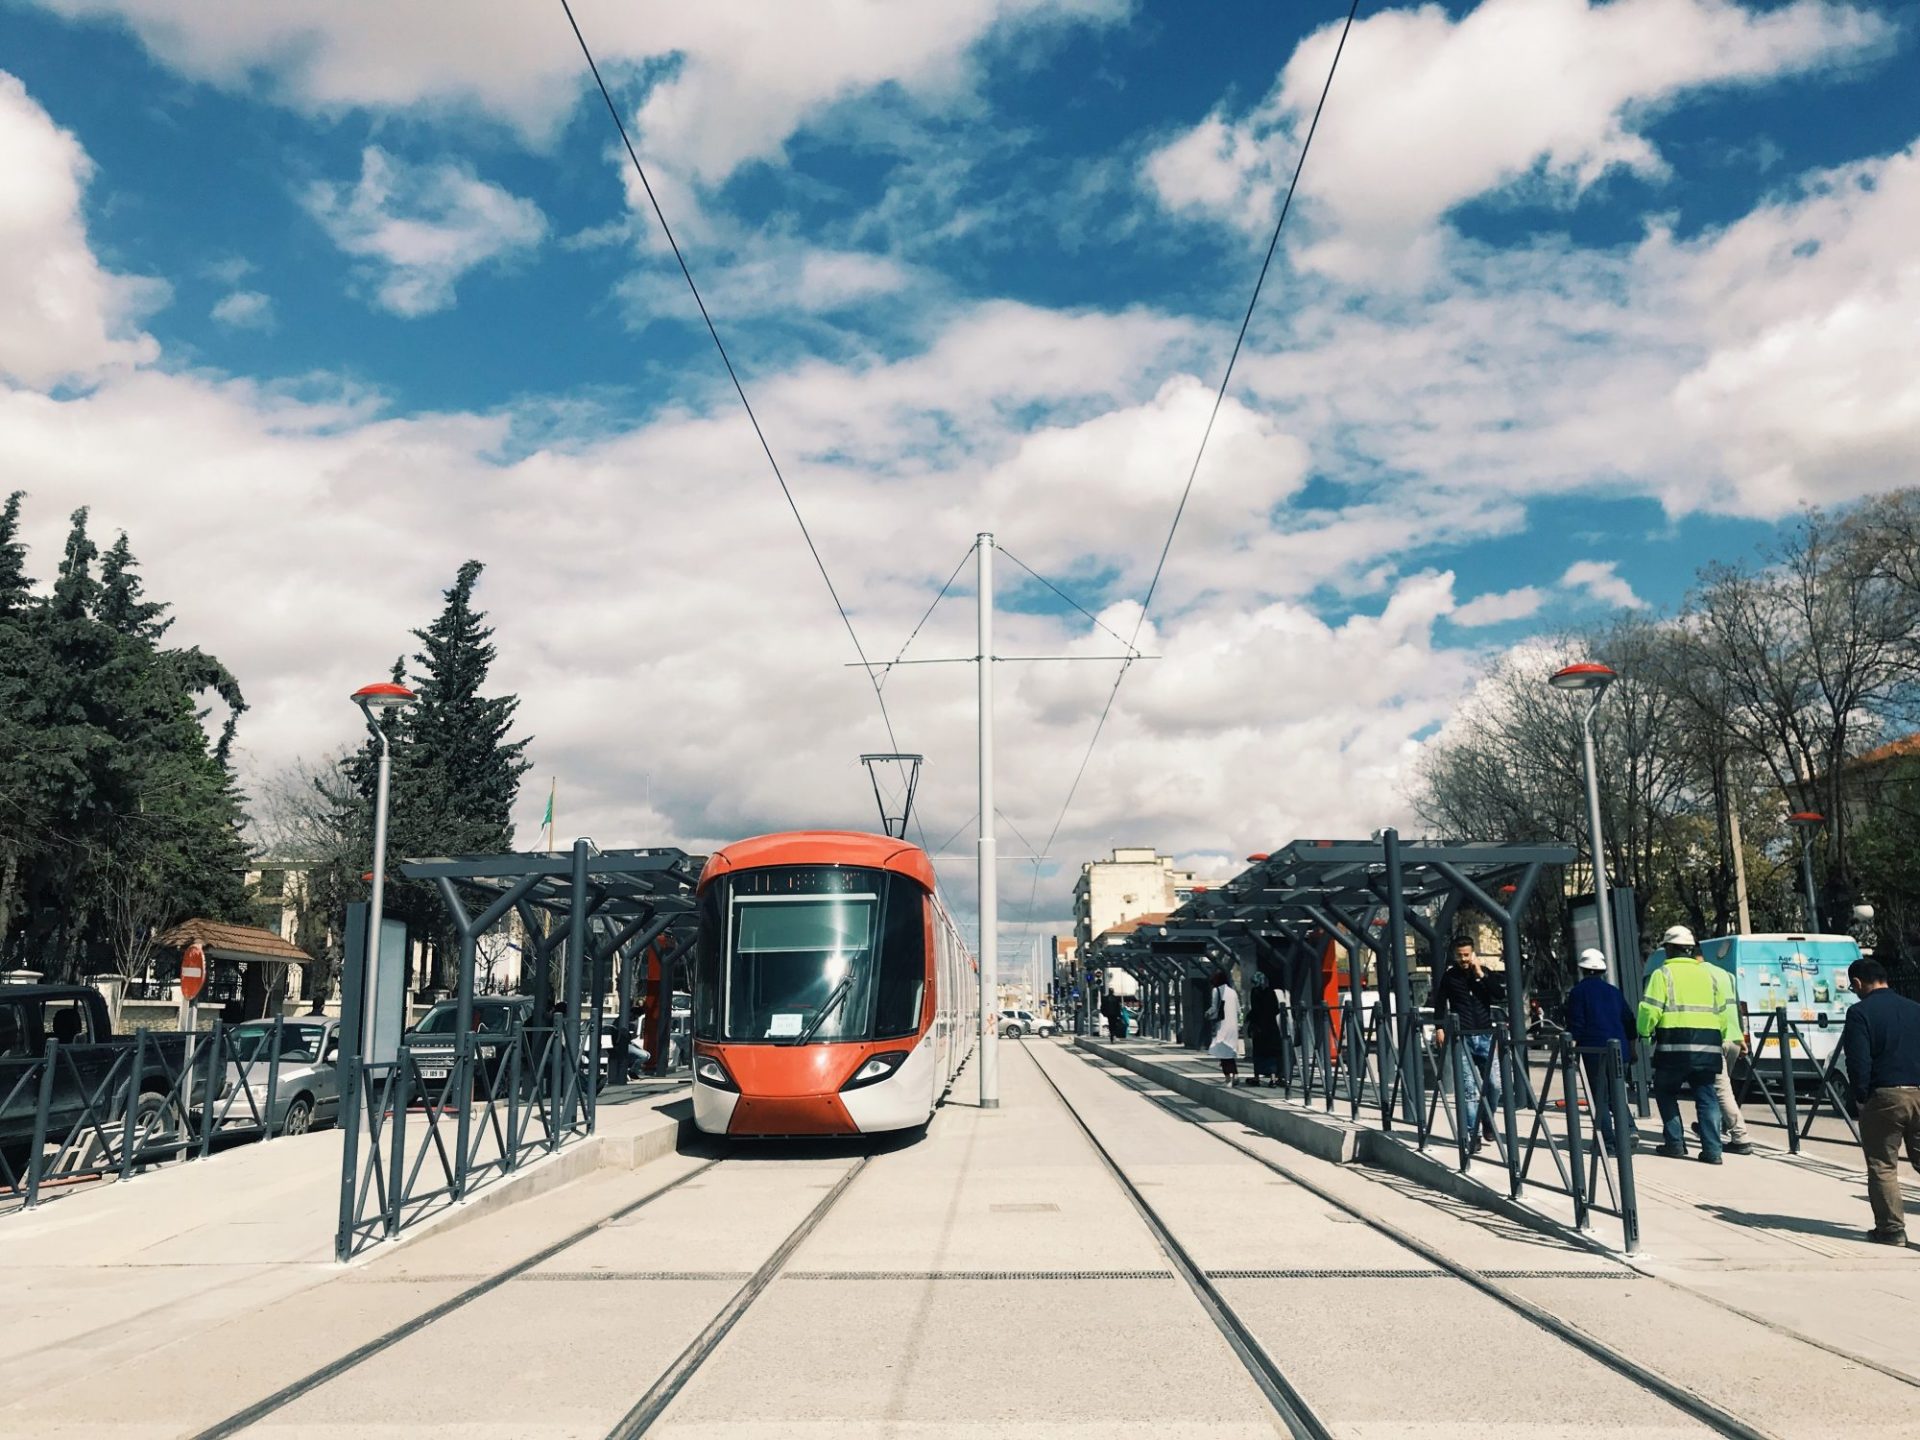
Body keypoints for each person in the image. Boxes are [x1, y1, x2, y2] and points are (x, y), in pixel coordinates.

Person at [1637, 925, 1738, 1164]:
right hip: (1708, 1047)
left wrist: (1644, 1033)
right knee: (1707, 1097)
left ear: (1669, 949)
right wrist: (1719, 1035)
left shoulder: (1662, 975)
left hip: (1674, 1047)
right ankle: (1713, 1151)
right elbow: (1722, 1014)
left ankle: (1675, 1144)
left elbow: (1649, 1010)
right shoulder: (1710, 974)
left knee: (1665, 1091)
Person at [1839, 958, 1920, 1246]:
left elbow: (1858, 1061)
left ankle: (1891, 1230)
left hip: (1886, 1096)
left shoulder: (1860, 1012)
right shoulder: (1915, 1009)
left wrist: (1861, 1097)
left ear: (1858, 983)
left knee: (1883, 1165)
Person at [1433, 936, 1504, 1151]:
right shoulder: (1449, 977)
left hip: (1485, 1035)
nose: (1463, 959)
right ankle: (1473, 1136)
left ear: (1473, 953)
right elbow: (1439, 1002)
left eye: (1467, 955)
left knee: (1495, 1085)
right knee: (1469, 1090)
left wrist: (1480, 973)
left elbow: (1499, 994)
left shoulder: (1484, 973)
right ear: (1455, 955)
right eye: (1460, 955)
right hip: (1462, 1037)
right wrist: (1439, 1028)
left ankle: (1488, 1122)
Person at [1564, 948, 1635, 1151]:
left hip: (1594, 1050)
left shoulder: (1578, 992)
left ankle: (1608, 1144)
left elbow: (1576, 1024)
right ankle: (1629, 1130)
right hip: (1620, 1049)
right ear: (1603, 970)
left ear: (1582, 969)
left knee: (1599, 1097)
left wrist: (1572, 1052)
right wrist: (1632, 1049)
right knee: (1617, 1093)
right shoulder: (1614, 991)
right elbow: (1629, 1020)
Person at [1246, 971, 1283, 1087]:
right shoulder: (1271, 993)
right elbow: (1276, 1009)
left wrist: (1249, 1019)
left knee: (1258, 1054)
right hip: (1271, 1028)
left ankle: (1257, 1077)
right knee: (1271, 1054)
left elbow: (1255, 1010)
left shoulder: (1254, 992)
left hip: (1259, 1028)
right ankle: (1273, 1079)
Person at [1207, 970, 1240, 1085]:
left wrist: (1207, 1013)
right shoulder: (1233, 992)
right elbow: (1238, 1010)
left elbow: (1214, 1008)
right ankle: (1235, 1075)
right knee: (1231, 1051)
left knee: (1222, 1052)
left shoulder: (1216, 991)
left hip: (1222, 1025)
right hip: (1233, 1026)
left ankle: (1228, 1078)